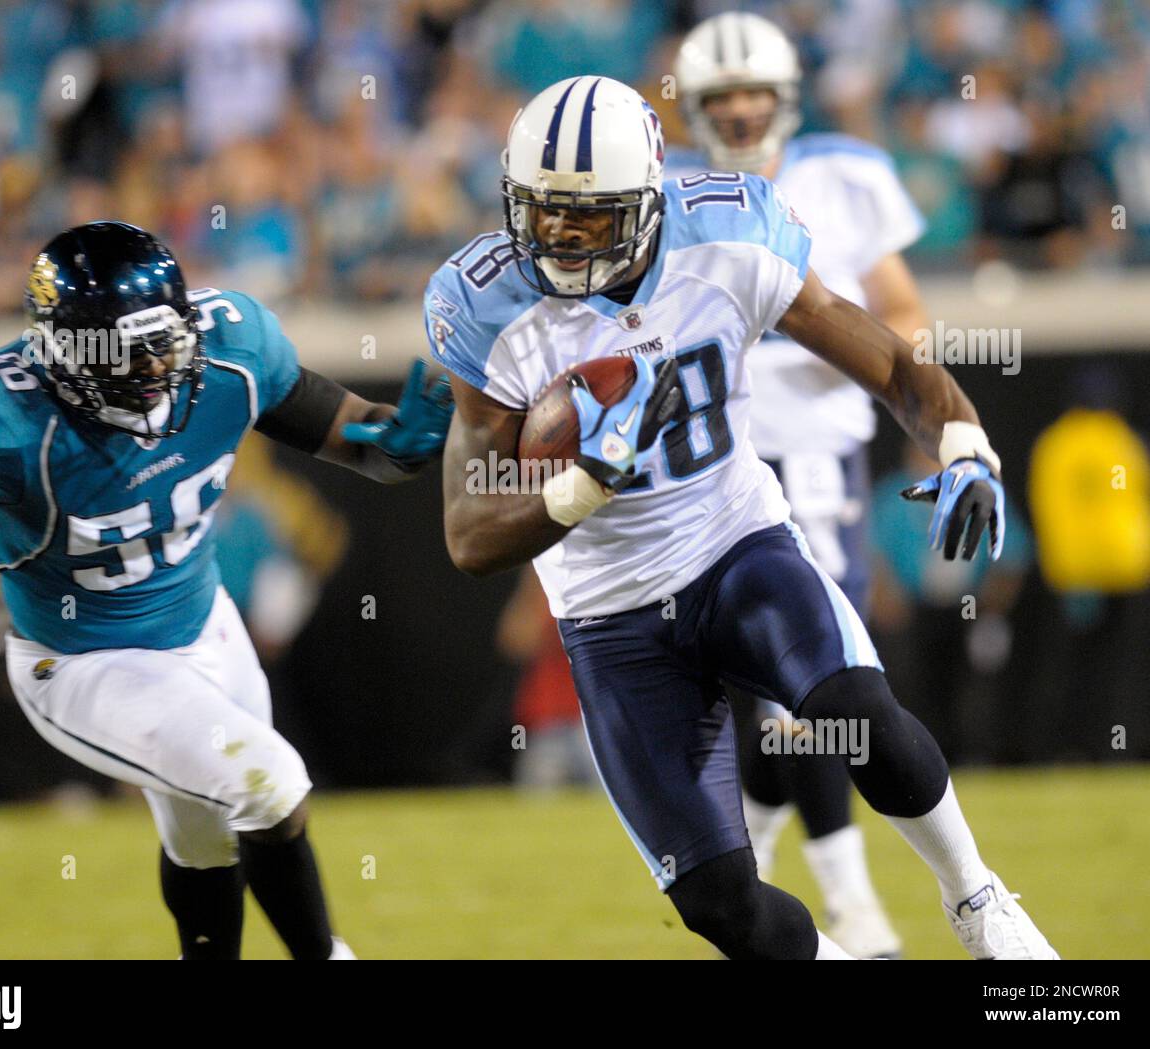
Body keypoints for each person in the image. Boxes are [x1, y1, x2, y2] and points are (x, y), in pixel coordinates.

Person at [429, 74, 1056, 959]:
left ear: (647, 202)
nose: (560, 237)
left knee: (853, 706)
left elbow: (886, 359)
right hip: (610, 616)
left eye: (589, 216)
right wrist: (586, 482)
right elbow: (468, 533)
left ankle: (979, 900)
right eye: (542, 212)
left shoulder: (730, 235)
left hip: (733, 546)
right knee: (719, 904)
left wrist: (964, 445)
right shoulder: (486, 304)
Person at [0, 221, 452, 960]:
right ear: (59, 352)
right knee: (270, 784)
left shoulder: (230, 349)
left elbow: (353, 436)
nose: (150, 370)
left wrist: (396, 443)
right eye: (122, 353)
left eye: (161, 343)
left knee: (205, 840)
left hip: (207, 623)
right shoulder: (3, 412)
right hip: (83, 661)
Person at [666, 11, 933, 957]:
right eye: (721, 98)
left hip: (818, 450)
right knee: (777, 691)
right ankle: (802, 865)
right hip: (708, 461)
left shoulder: (844, 171)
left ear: (784, 97)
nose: (740, 111)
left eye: (753, 94)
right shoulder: (668, 193)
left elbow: (905, 314)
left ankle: (839, 888)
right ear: (695, 108)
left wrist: (857, 350)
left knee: (817, 678)